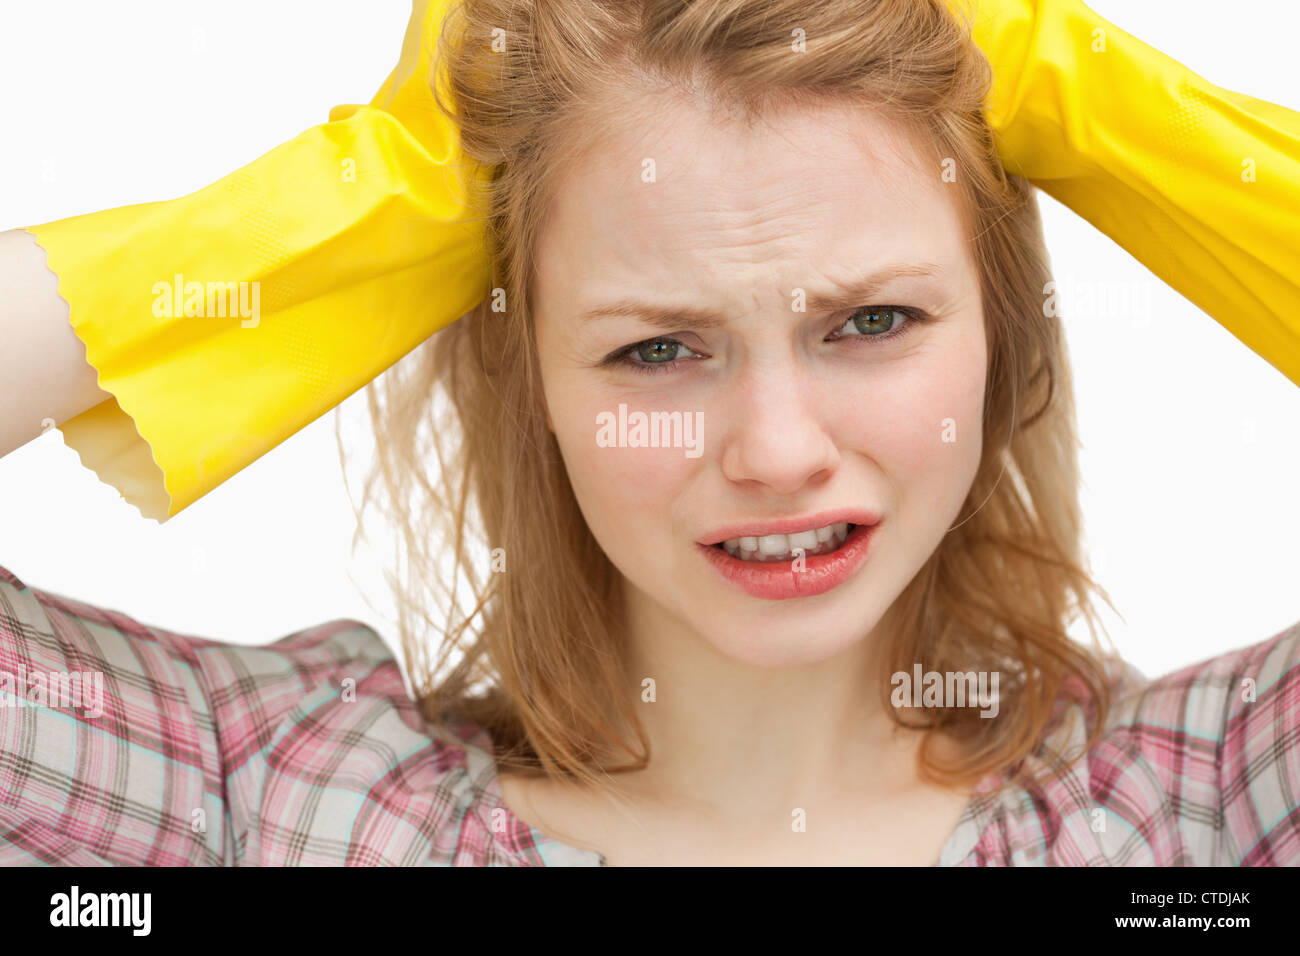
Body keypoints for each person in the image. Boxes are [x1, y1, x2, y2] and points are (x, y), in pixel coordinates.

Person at [0, 0, 1297, 866]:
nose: (778, 450)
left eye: (872, 322)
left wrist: (1111, 111)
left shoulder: (1199, 814)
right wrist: (383, 199)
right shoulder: (279, 801)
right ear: (530, 382)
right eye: (657, 348)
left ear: (1004, 333)